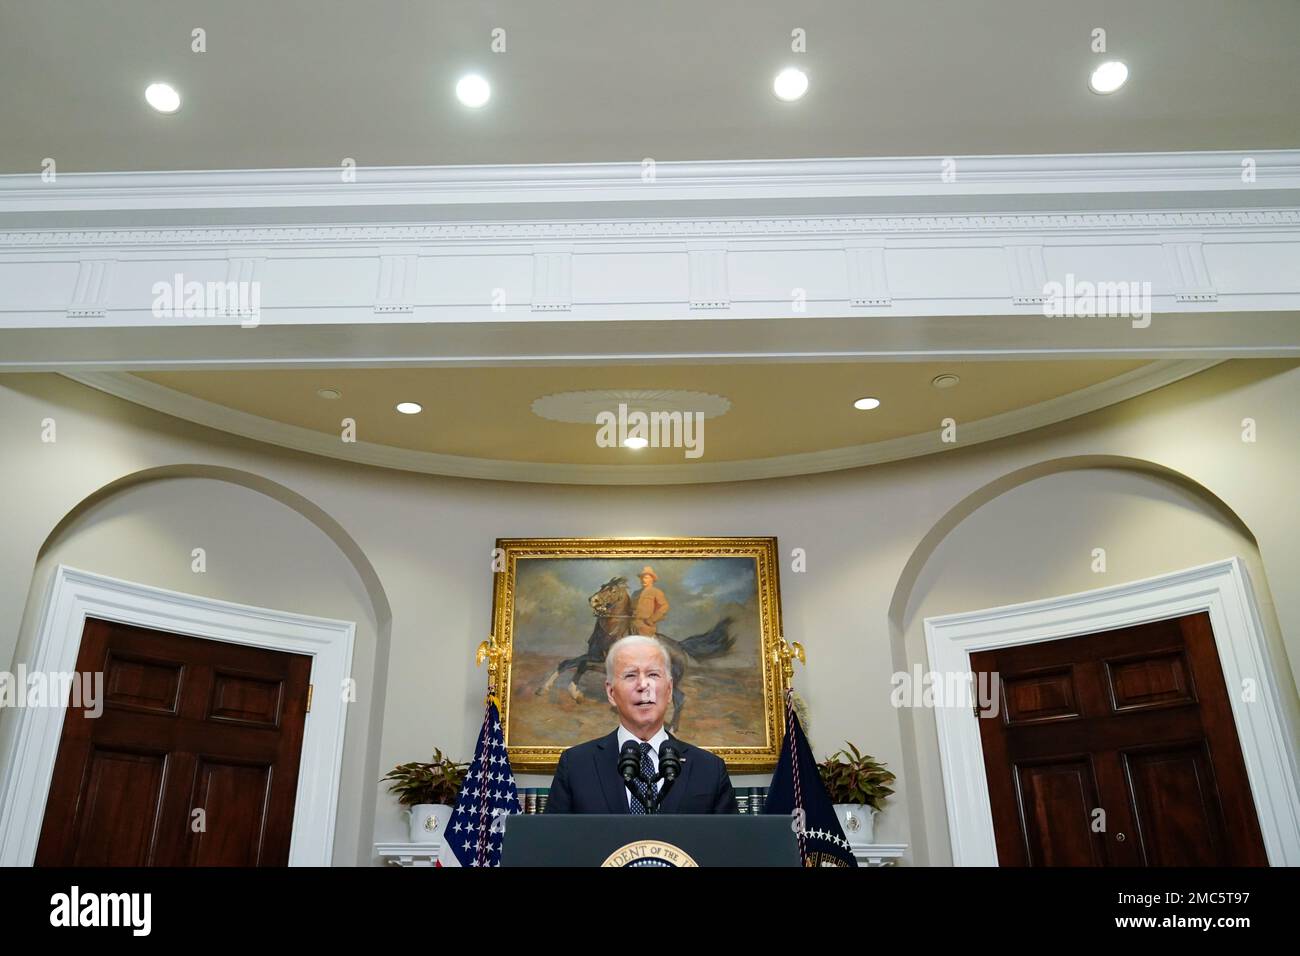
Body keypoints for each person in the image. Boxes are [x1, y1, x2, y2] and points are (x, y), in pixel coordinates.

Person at [546, 634, 737, 814]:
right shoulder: (576, 765)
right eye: (630, 675)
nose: (643, 685)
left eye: (653, 674)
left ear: (669, 690)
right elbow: (555, 845)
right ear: (611, 693)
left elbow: (728, 845)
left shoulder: (709, 769)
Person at [631, 566, 669, 636]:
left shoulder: (656, 592)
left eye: (646, 578)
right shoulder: (635, 593)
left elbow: (664, 607)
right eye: (641, 578)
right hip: (631, 625)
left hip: (646, 627)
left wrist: (652, 620)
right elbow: (628, 608)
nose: (643, 580)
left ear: (652, 579)